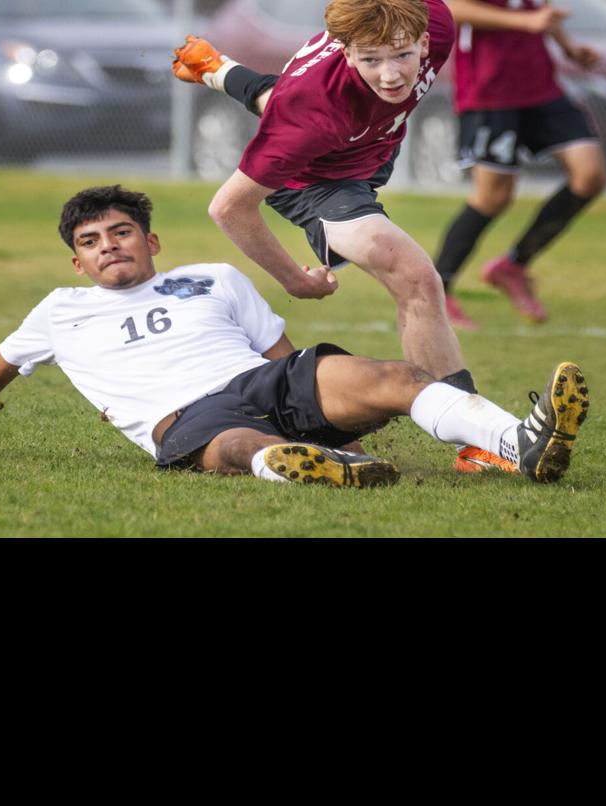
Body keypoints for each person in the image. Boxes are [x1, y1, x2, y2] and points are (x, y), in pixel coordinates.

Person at [0, 185, 590, 489]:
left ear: (150, 239)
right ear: (77, 261)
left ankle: (520, 444)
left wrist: (335, 414)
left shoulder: (214, 275)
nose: (108, 246)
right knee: (241, 448)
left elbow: (283, 361)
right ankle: (311, 468)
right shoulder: (58, 310)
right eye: (91, 241)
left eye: (120, 232)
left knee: (396, 378)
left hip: (259, 383)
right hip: (186, 419)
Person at [171, 0, 519, 475]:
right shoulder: (311, 110)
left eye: (401, 55)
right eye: (371, 60)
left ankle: (215, 67)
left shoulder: (435, 20)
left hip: (364, 143)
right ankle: (480, 439)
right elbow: (229, 207)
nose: (392, 75)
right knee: (414, 275)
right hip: (318, 184)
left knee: (282, 102)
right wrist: (294, 279)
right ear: (346, 52)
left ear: (424, 41)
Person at [433, 1, 606, 328]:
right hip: (490, 89)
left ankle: (513, 266)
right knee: (493, 197)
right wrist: (525, 22)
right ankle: (438, 293)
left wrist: (568, 48)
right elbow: (451, 8)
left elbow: (537, 10)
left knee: (591, 175)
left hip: (540, 85)